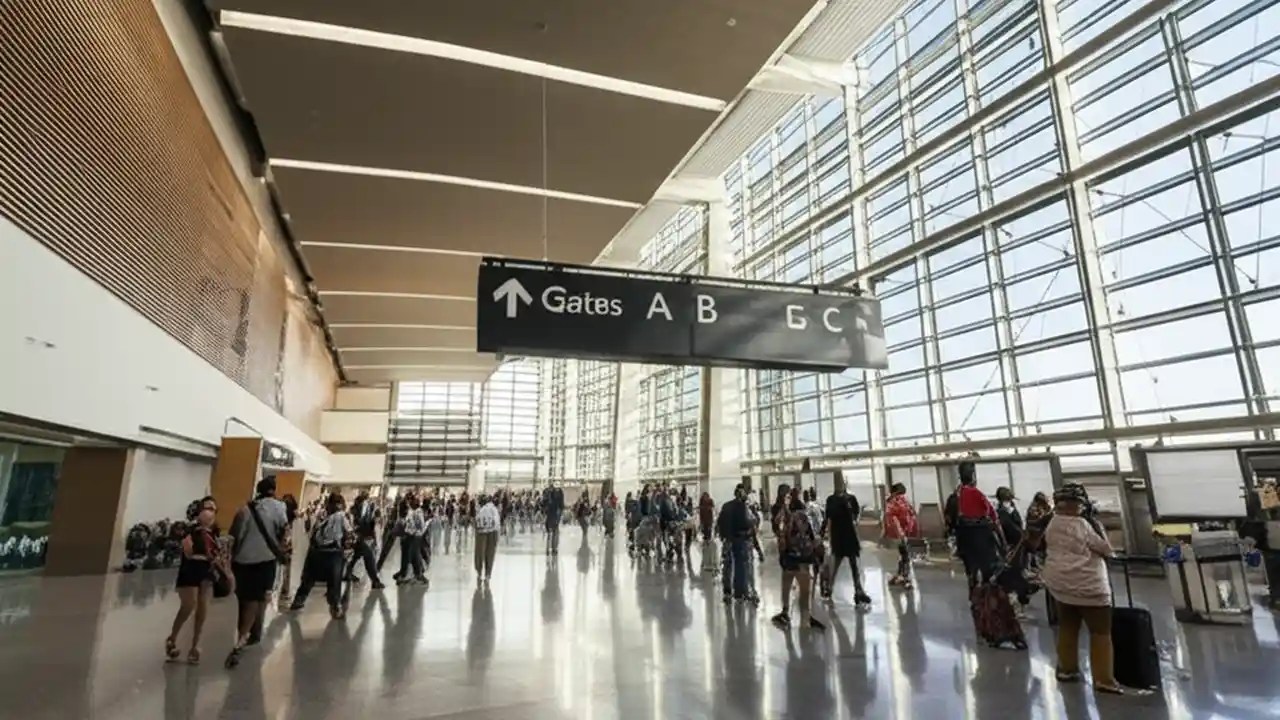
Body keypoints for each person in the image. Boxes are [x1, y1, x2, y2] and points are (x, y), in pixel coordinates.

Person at [1040, 483, 1122, 694]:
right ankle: (1103, 679)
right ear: (1080, 504)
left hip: (1060, 585)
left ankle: (1067, 669)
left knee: (1068, 627)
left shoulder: (1052, 523)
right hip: (1089, 588)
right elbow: (1106, 549)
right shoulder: (1084, 525)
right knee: (1100, 632)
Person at [225, 477, 289, 669]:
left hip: (245, 561)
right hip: (268, 561)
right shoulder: (280, 507)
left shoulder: (245, 510)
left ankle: (241, 639)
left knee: (246, 601)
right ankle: (255, 632)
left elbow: (235, 537)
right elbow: (285, 533)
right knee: (261, 597)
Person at [167, 496, 223, 665]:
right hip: (190, 569)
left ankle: (195, 645)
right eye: (207, 507)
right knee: (188, 605)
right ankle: (172, 638)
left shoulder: (214, 533)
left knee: (202, 608)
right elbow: (187, 551)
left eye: (213, 509)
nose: (210, 512)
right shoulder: (190, 530)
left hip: (206, 571)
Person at [290, 492, 351, 618]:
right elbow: (348, 534)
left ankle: (300, 600)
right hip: (330, 553)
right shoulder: (332, 517)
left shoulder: (335, 516)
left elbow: (348, 533)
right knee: (333, 581)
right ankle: (334, 607)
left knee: (311, 579)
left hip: (323, 552)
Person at [772, 487, 825, 630]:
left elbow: (779, 533)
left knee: (786, 584)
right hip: (803, 558)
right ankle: (806, 616)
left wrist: (782, 551)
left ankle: (785, 611)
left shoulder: (784, 515)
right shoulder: (806, 515)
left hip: (789, 558)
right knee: (804, 589)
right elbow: (814, 536)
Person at [820, 472, 872, 606]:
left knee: (854, 564)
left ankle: (858, 590)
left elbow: (855, 515)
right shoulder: (831, 500)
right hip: (839, 535)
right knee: (836, 563)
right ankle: (830, 588)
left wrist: (855, 524)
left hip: (849, 534)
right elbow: (828, 518)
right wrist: (824, 535)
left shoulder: (850, 499)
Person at [954, 461, 1004, 587]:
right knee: (989, 568)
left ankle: (973, 582)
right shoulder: (977, 494)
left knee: (971, 568)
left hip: (964, 538)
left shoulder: (955, 497)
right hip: (982, 537)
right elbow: (992, 515)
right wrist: (1002, 540)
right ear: (973, 477)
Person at [717, 484, 754, 602]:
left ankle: (727, 592)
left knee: (727, 565)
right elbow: (746, 523)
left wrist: (723, 536)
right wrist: (752, 523)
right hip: (739, 539)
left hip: (727, 539)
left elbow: (720, 522)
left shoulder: (726, 506)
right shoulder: (742, 507)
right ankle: (739, 592)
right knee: (740, 565)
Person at [883, 483, 919, 589]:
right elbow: (910, 515)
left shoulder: (893, 502)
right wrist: (903, 533)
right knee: (905, 555)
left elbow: (891, 518)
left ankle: (899, 574)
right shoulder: (900, 501)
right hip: (902, 533)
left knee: (902, 554)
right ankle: (906, 578)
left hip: (897, 533)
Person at [345, 492, 385, 589]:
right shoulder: (355, 511)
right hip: (356, 538)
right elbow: (353, 526)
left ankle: (348, 574)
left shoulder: (355, 510)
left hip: (357, 537)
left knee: (356, 556)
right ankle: (375, 581)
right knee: (369, 556)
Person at [397, 494, 429, 585]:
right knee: (413, 556)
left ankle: (412, 575)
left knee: (412, 555)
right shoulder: (413, 511)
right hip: (412, 536)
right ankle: (415, 575)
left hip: (413, 536)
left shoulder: (416, 512)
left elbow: (420, 526)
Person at [474, 493, 501, 582]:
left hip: (481, 532)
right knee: (490, 553)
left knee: (479, 552)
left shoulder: (480, 509)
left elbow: (475, 521)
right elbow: (497, 523)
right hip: (492, 532)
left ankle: (479, 571)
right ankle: (488, 574)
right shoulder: (493, 509)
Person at [543, 482, 565, 555]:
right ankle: (553, 549)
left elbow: (544, 505)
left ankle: (549, 549)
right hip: (554, 516)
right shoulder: (559, 494)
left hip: (550, 516)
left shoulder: (548, 495)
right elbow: (561, 506)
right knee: (555, 533)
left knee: (550, 533)